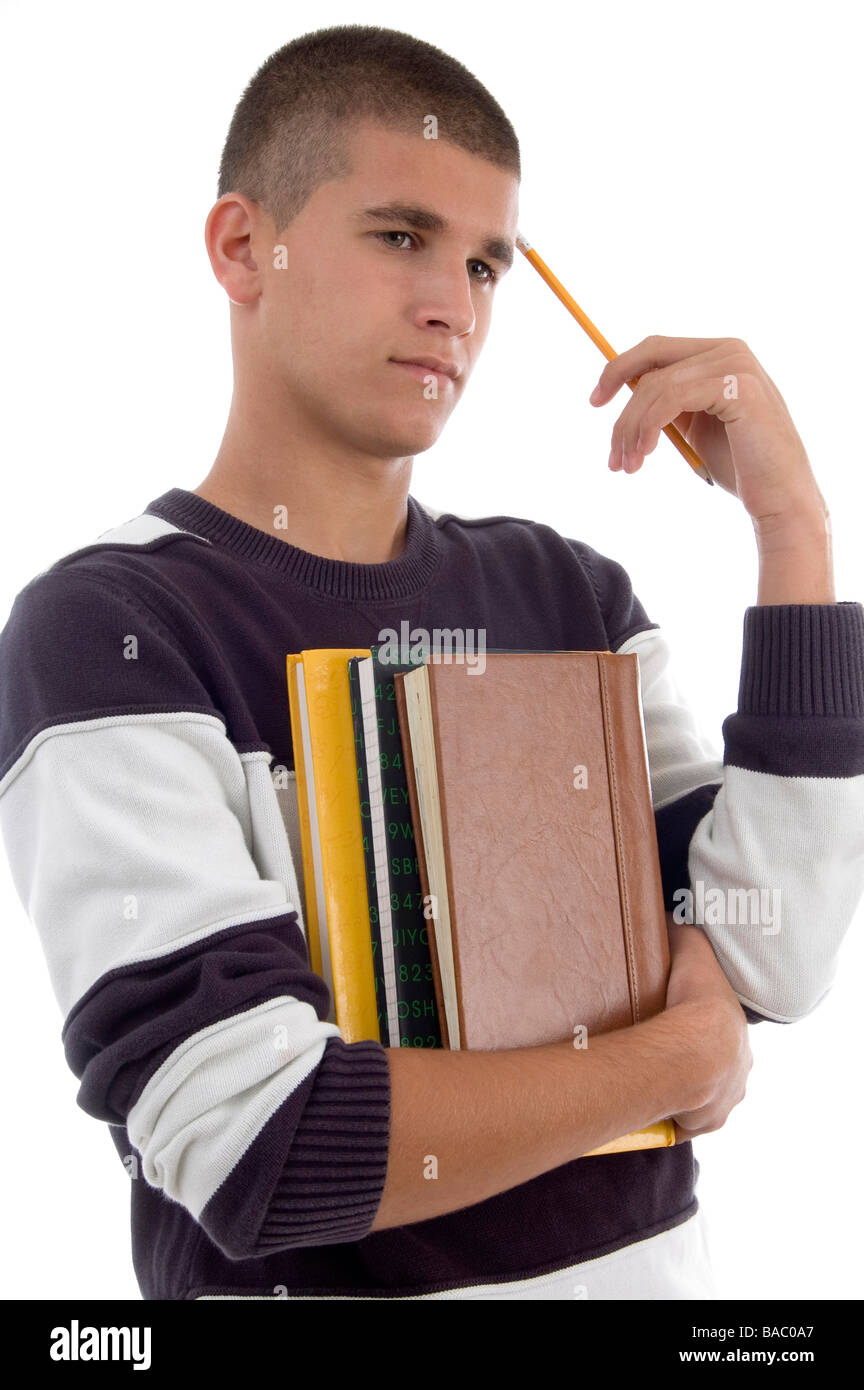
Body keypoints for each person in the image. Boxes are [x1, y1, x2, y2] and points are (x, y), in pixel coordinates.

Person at [0, 23, 861, 1302]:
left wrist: (795, 533)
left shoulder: (572, 593)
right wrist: (677, 1064)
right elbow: (263, 1147)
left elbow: (766, 959)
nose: (453, 304)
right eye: (401, 237)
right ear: (245, 246)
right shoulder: (114, 627)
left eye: (487, 263)